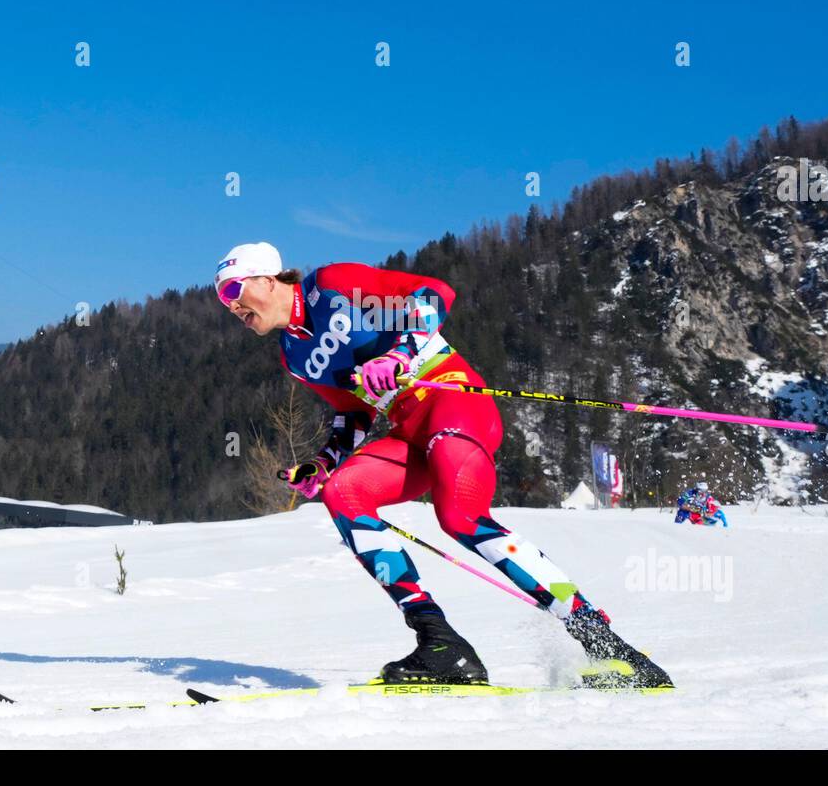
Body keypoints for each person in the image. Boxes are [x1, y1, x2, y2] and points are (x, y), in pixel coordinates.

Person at [213, 242, 672, 689]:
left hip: (452, 401)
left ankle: (601, 638)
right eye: (221, 297)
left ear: (268, 280)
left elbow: (434, 294)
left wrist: (398, 354)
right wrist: (323, 463)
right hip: (407, 430)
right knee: (343, 493)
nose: (230, 306)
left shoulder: (332, 286)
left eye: (233, 291)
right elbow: (354, 413)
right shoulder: (293, 356)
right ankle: (440, 643)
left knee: (459, 517)